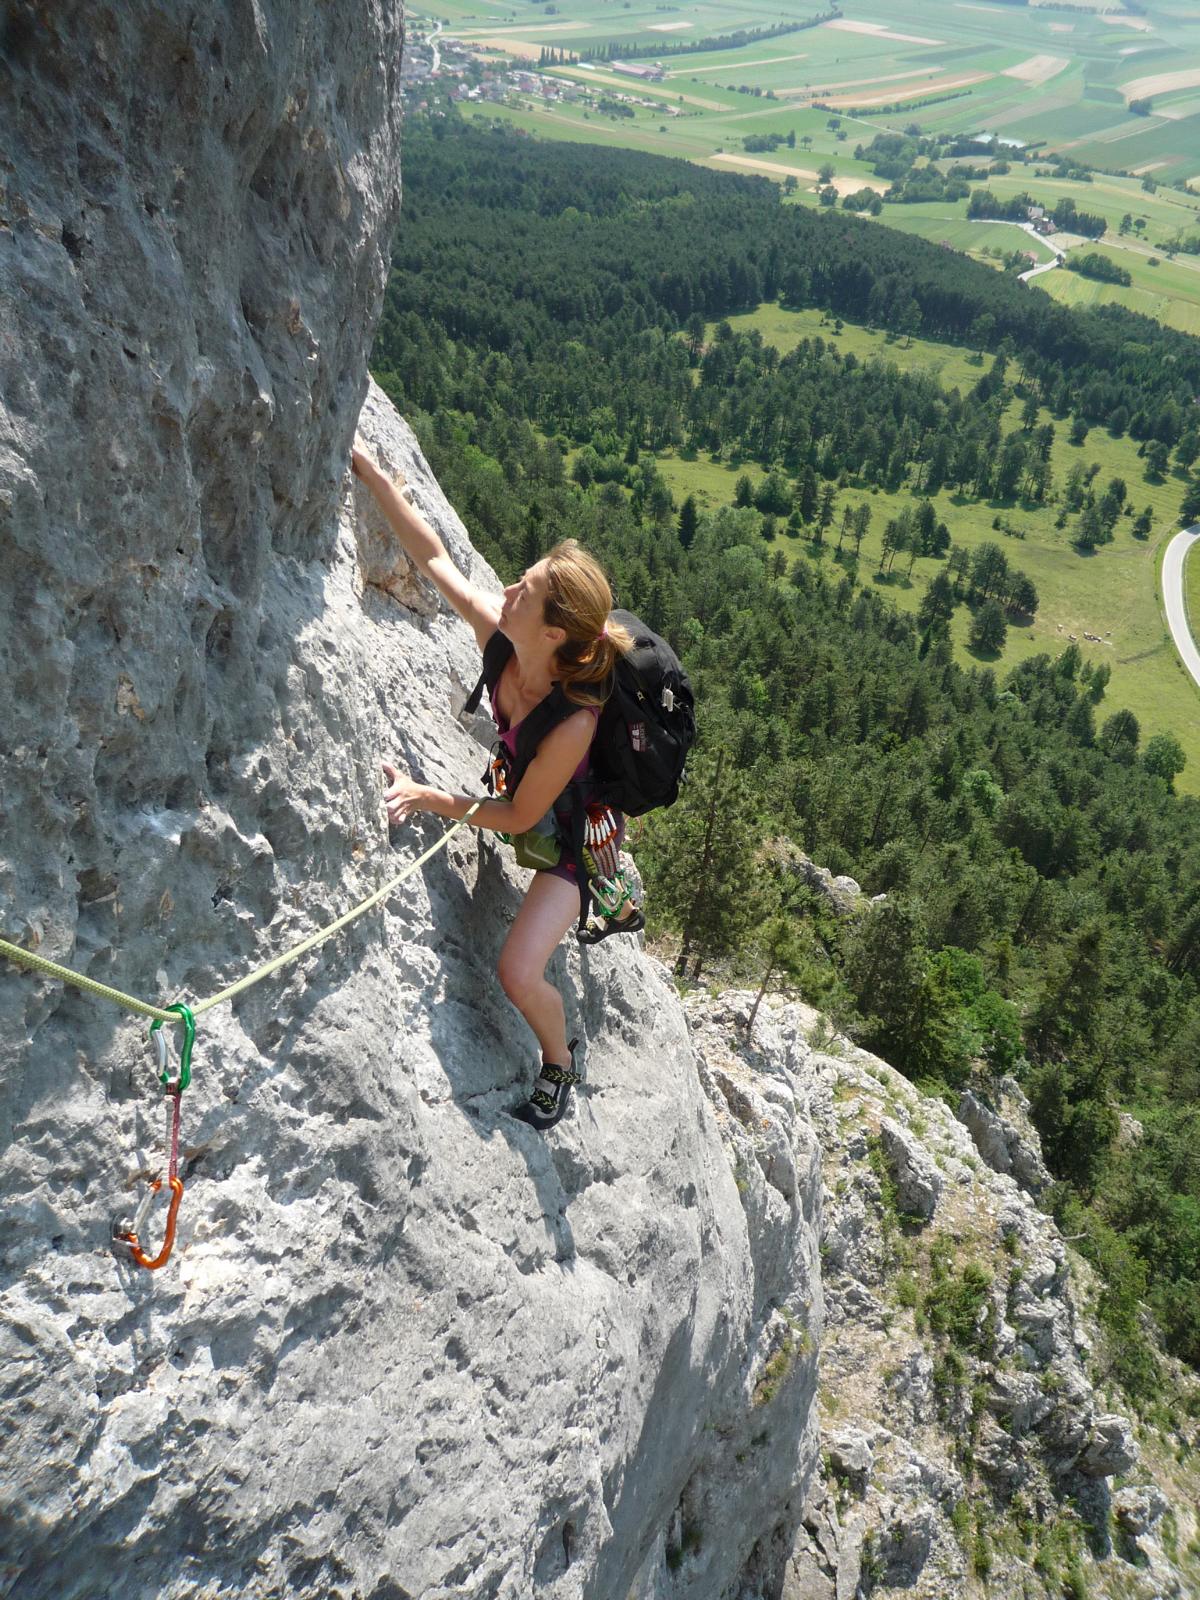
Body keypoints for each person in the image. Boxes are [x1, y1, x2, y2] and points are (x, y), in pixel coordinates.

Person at [351, 444, 642, 1131]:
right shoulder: (505, 639)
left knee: (517, 971)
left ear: (552, 634)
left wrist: (426, 796)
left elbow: (517, 819)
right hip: (538, 803)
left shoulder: (574, 723)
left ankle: (557, 1059)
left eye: (523, 590)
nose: (506, 590)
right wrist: (374, 476)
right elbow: (436, 560)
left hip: (569, 839)